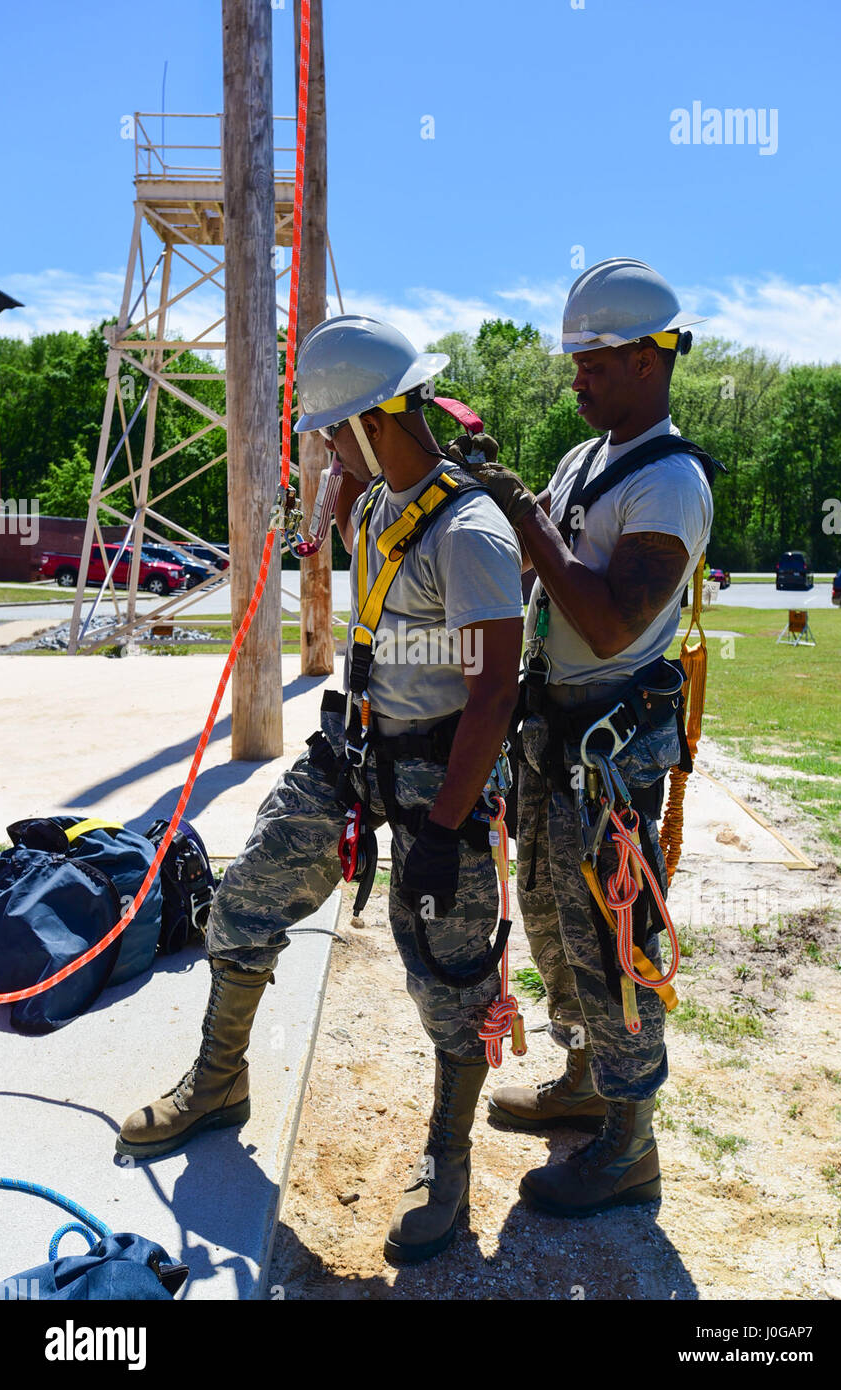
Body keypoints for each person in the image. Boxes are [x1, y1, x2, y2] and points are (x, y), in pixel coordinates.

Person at [117, 315, 524, 1264]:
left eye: (334, 431)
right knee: (247, 899)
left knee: (452, 975)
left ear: (378, 419)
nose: (326, 449)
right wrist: (335, 485)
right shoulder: (382, 502)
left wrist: (446, 828)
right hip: (356, 751)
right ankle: (220, 1082)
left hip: (441, 772)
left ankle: (447, 1162)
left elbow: (494, 690)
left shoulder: (470, 532)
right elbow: (327, 537)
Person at [465, 258, 721, 1217]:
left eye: (594, 363)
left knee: (615, 934)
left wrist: (524, 515)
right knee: (550, 915)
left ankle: (629, 1141)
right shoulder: (588, 459)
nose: (576, 378)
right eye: (575, 361)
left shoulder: (670, 483)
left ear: (650, 362)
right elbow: (547, 584)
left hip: (612, 753)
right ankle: (586, 1079)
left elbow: (613, 623)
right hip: (556, 734)